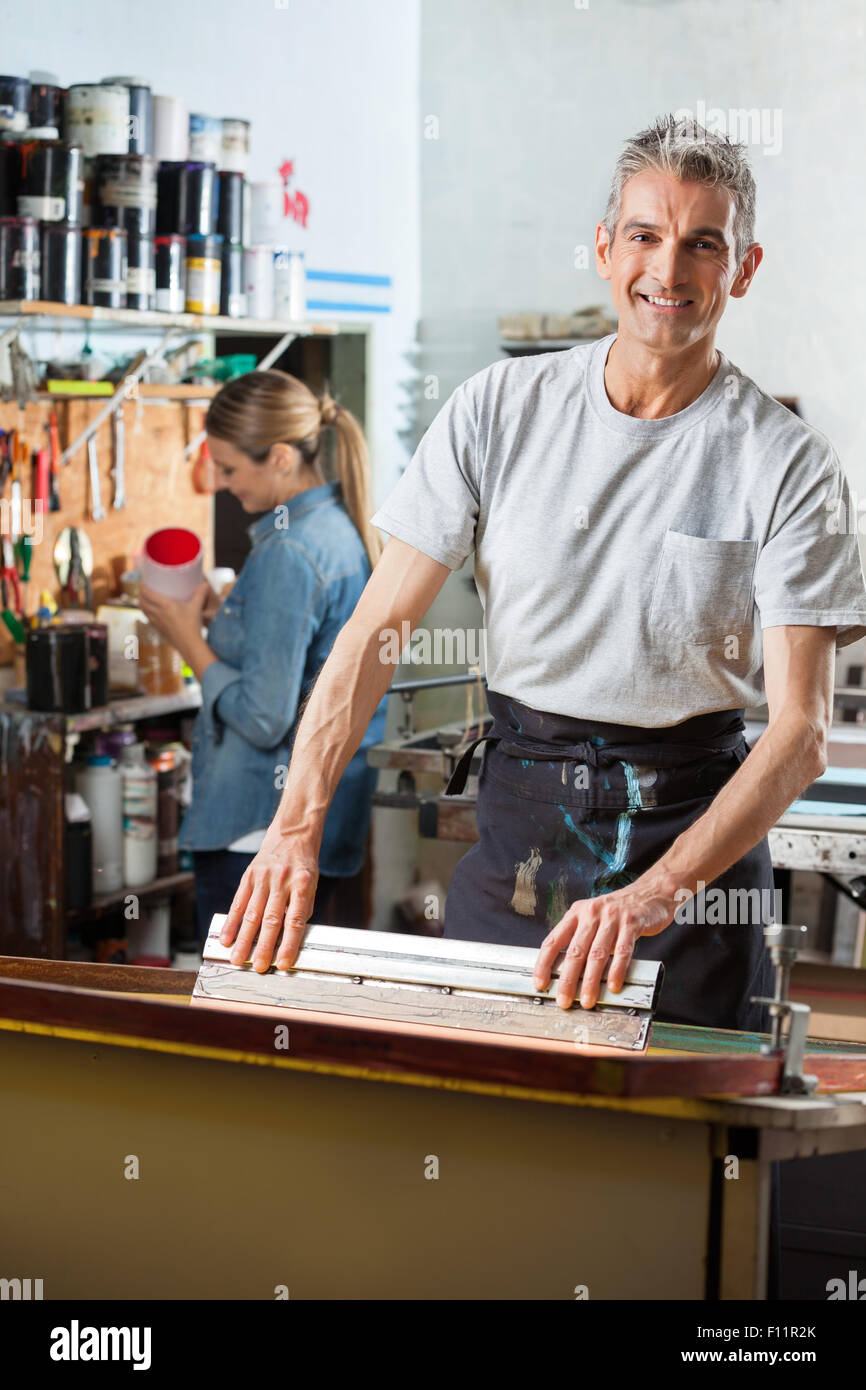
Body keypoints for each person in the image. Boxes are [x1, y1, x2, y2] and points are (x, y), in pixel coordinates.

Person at [218, 114, 866, 1035]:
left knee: (675, 1150)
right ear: (605, 250)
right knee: (498, 1121)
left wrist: (658, 893)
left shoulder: (789, 464)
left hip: (691, 855)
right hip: (519, 834)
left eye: (702, 245)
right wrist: (294, 826)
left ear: (743, 269)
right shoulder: (497, 409)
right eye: (644, 235)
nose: (667, 271)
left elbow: (800, 733)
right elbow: (375, 633)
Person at [139, 369, 387, 941]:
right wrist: (224, 619)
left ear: (279, 457)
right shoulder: (335, 528)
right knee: (280, 1011)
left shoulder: (290, 551)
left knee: (235, 1016)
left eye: (228, 468)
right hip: (307, 826)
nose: (222, 483)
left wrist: (187, 640)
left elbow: (262, 715)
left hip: (257, 833)